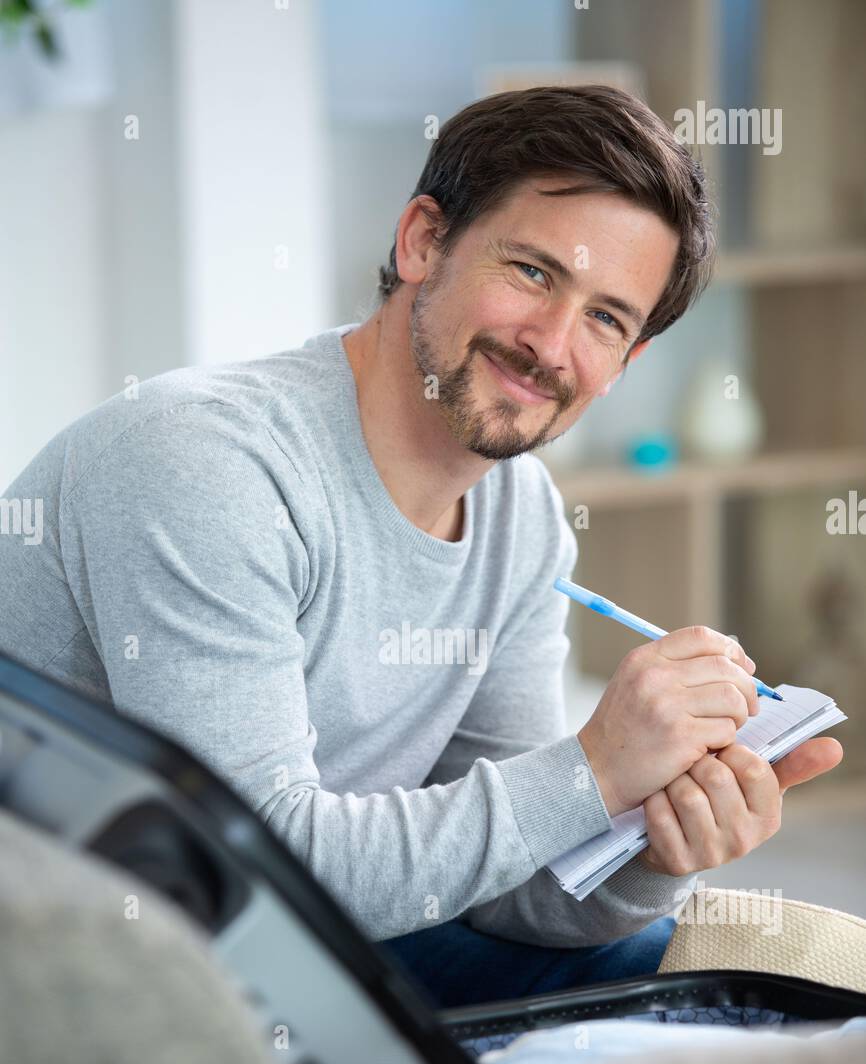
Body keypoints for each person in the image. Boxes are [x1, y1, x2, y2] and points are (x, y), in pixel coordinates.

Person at [0, 86, 840, 1006]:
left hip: (298, 940)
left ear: (627, 365)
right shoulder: (203, 463)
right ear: (421, 242)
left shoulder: (522, 519)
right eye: (531, 272)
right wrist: (591, 768)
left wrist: (651, 843)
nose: (552, 346)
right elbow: (256, 873)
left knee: (760, 982)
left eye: (607, 319)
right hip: (89, 958)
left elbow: (504, 893)